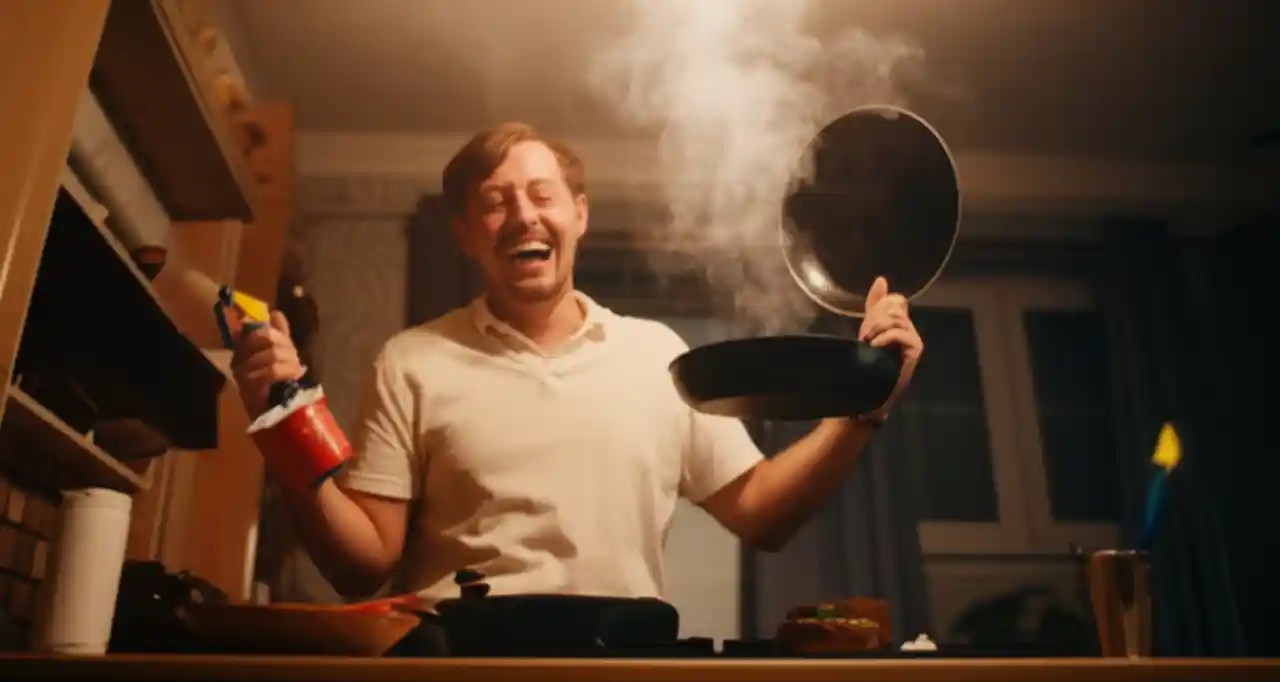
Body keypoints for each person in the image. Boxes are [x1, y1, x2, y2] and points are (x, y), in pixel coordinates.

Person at [231, 121, 923, 605]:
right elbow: (363, 568)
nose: (523, 216)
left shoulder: (657, 355)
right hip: (460, 676)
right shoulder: (411, 361)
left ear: (579, 215)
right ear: (467, 235)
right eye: (495, 203)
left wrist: (862, 410)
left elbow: (763, 515)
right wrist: (278, 421)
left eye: (541, 195)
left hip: (621, 672)